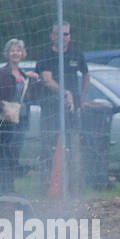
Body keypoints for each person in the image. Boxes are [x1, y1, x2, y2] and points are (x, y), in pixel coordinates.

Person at [35, 22, 90, 191]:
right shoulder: (45, 55)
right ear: (52, 36)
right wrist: (65, 93)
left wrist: (81, 98)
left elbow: (86, 75)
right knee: (49, 146)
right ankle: (47, 185)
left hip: (71, 109)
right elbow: (47, 79)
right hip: (51, 109)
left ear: (69, 36)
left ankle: (73, 187)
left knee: (73, 147)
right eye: (59, 34)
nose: (63, 38)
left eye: (66, 34)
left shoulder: (76, 53)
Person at [0, 39, 40, 194]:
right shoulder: (2, 73)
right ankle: (1, 188)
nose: (15, 53)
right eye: (12, 50)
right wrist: (3, 107)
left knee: (15, 153)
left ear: (23, 53)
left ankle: (10, 187)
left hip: (22, 118)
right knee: (6, 152)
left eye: (18, 50)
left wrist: (35, 81)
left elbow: (31, 96)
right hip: (9, 118)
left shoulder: (25, 75)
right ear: (7, 53)